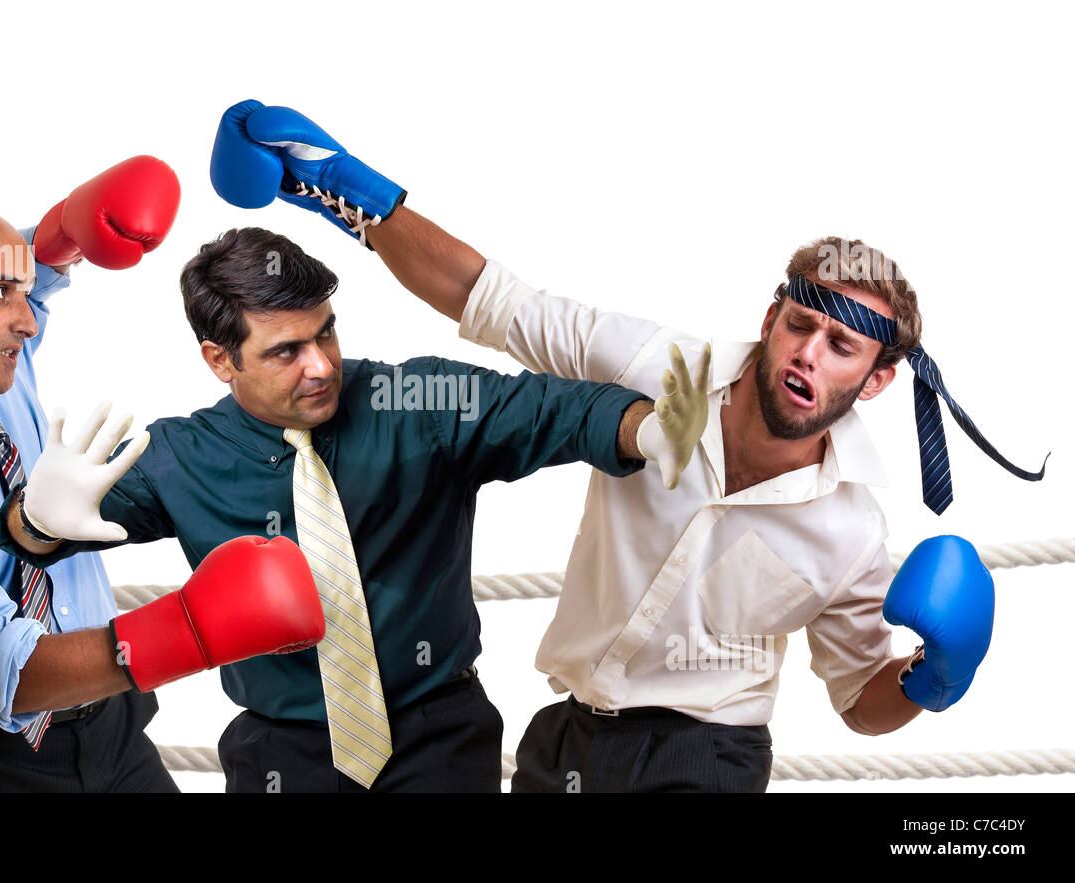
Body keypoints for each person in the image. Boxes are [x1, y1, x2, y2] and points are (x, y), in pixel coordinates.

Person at [207, 100, 1037, 793]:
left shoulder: (851, 530)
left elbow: (860, 700)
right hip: (566, 734)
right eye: (801, 324)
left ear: (878, 380)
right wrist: (348, 186)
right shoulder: (657, 366)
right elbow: (494, 300)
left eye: (841, 347)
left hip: (706, 755)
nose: (808, 354)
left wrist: (935, 679)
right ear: (770, 320)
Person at [0, 223, 712, 793]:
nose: (320, 365)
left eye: (326, 333)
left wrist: (645, 427)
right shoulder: (182, 457)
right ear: (221, 360)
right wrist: (35, 517)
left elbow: (554, 409)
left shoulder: (416, 403)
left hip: (438, 738)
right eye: (285, 351)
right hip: (281, 748)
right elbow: (38, 540)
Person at [0, 158, 326, 793]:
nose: (26, 321)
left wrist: (65, 230)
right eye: (2, 295)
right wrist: (193, 629)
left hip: (115, 730)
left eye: (24, 294)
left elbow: (12, 266)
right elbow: (8, 669)